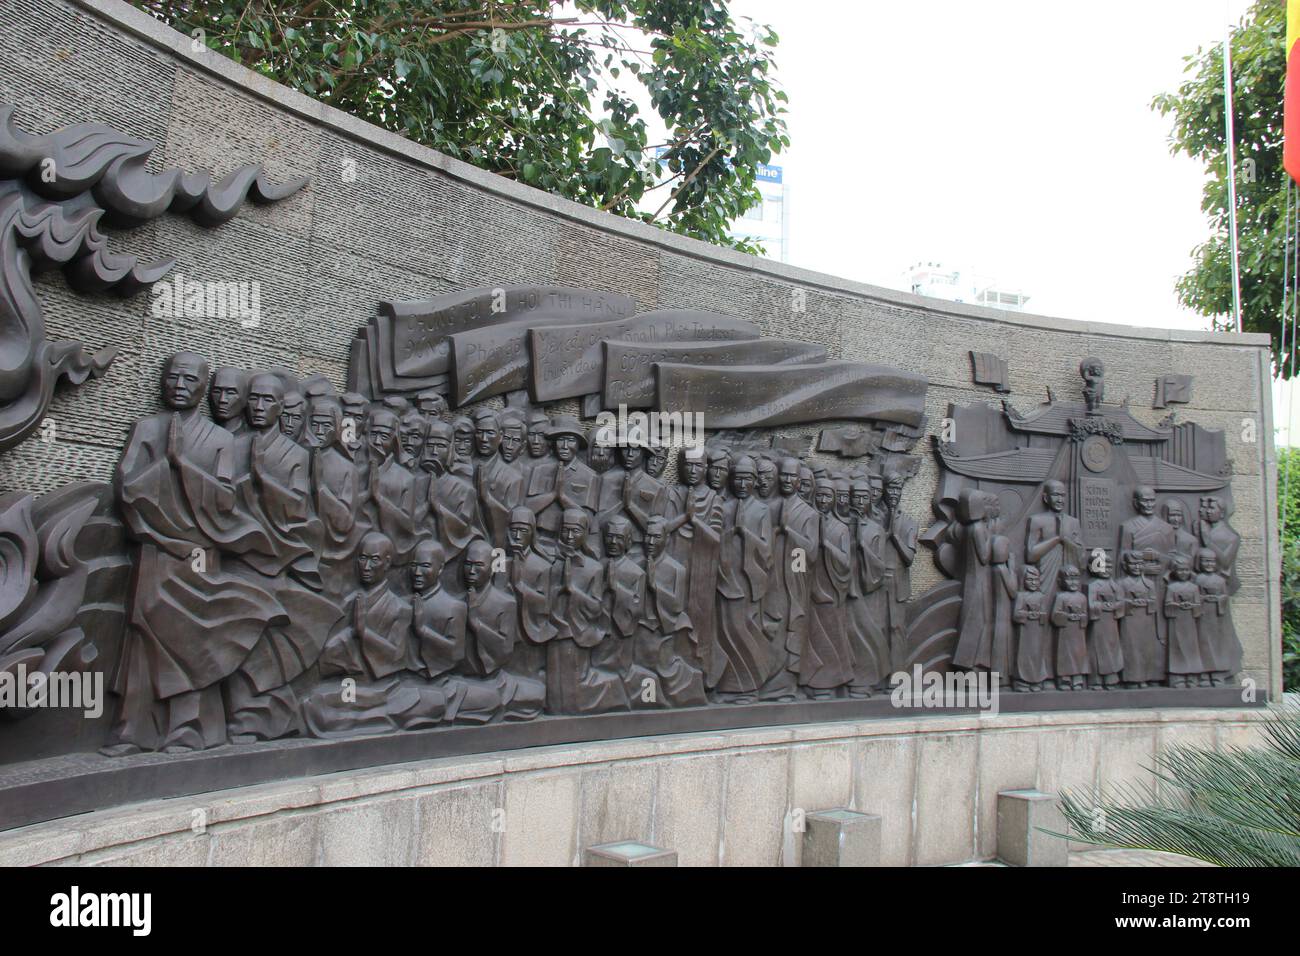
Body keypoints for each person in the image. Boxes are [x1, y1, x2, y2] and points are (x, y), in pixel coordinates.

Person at [1117, 550, 1163, 687]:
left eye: (1139, 564)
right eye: (1133, 564)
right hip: (1129, 621)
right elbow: (1118, 602)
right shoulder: (1121, 583)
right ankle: (1131, 679)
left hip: (1146, 620)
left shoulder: (1149, 584)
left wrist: (1147, 602)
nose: (1136, 567)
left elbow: (1154, 602)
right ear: (1125, 565)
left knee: (1146, 648)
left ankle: (1145, 677)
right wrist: (1129, 603)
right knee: (1130, 648)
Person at [1194, 548, 1241, 684]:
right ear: (1199, 563)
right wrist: (1203, 599)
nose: (1209, 564)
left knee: (1217, 644)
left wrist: (1218, 599)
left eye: (1211, 561)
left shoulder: (1220, 581)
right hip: (1202, 617)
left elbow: (1225, 596)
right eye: (1205, 561)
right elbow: (1193, 596)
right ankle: (1202, 674)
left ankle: (1218, 674)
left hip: (1216, 617)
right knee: (1202, 644)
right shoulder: (1197, 580)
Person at [1164, 555, 1204, 688]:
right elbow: (1168, 604)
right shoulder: (1172, 588)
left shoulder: (1194, 588)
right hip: (1176, 623)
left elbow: (1198, 605)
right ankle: (1177, 677)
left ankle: (1192, 676)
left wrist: (1192, 606)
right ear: (1174, 571)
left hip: (1190, 623)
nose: (1183, 573)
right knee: (1177, 648)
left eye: (1186, 570)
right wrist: (1176, 605)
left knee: (1191, 648)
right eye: (1180, 570)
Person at [1086, 557, 1125, 689]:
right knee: (1097, 649)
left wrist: (1114, 605)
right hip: (1098, 623)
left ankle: (1111, 679)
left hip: (1111, 623)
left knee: (1112, 648)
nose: (1106, 570)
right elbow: (1090, 604)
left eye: (1108, 567)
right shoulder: (1092, 585)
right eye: (1102, 567)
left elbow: (1121, 603)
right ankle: (1096, 680)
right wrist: (1102, 605)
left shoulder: (1116, 586)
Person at [1011, 565, 1050, 691]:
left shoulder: (1041, 596)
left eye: (1036, 580)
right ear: (1023, 580)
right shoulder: (1021, 596)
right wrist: (1027, 614)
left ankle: (1036, 681)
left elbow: (1045, 614)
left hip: (1037, 632)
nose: (1033, 583)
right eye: (1029, 580)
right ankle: (1022, 682)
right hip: (1025, 633)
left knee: (1037, 655)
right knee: (1024, 656)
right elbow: (1016, 615)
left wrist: (1039, 615)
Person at [1051, 565, 1088, 691]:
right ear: (1061, 581)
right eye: (1069, 579)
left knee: (1079, 653)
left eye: (1076, 579)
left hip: (1078, 632)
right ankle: (1064, 678)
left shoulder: (1082, 597)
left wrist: (1081, 617)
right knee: (1065, 654)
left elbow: (1086, 616)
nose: (1073, 583)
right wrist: (1067, 616)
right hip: (1065, 633)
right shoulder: (1061, 597)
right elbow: (1055, 615)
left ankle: (1077, 677)